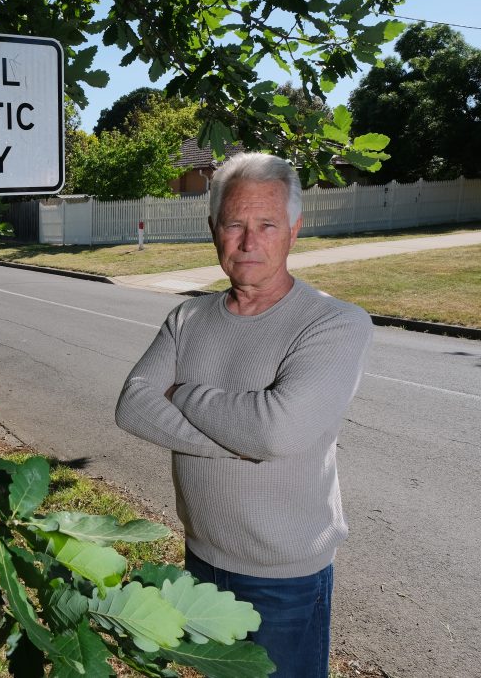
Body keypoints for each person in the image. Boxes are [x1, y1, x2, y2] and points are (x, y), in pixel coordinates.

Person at [115, 152, 373, 677]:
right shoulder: (188, 317)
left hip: (285, 578)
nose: (249, 242)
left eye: (267, 225)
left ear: (294, 230)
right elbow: (133, 406)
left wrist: (181, 391)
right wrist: (244, 439)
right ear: (214, 229)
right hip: (202, 558)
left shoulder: (334, 323)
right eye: (235, 224)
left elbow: (277, 431)